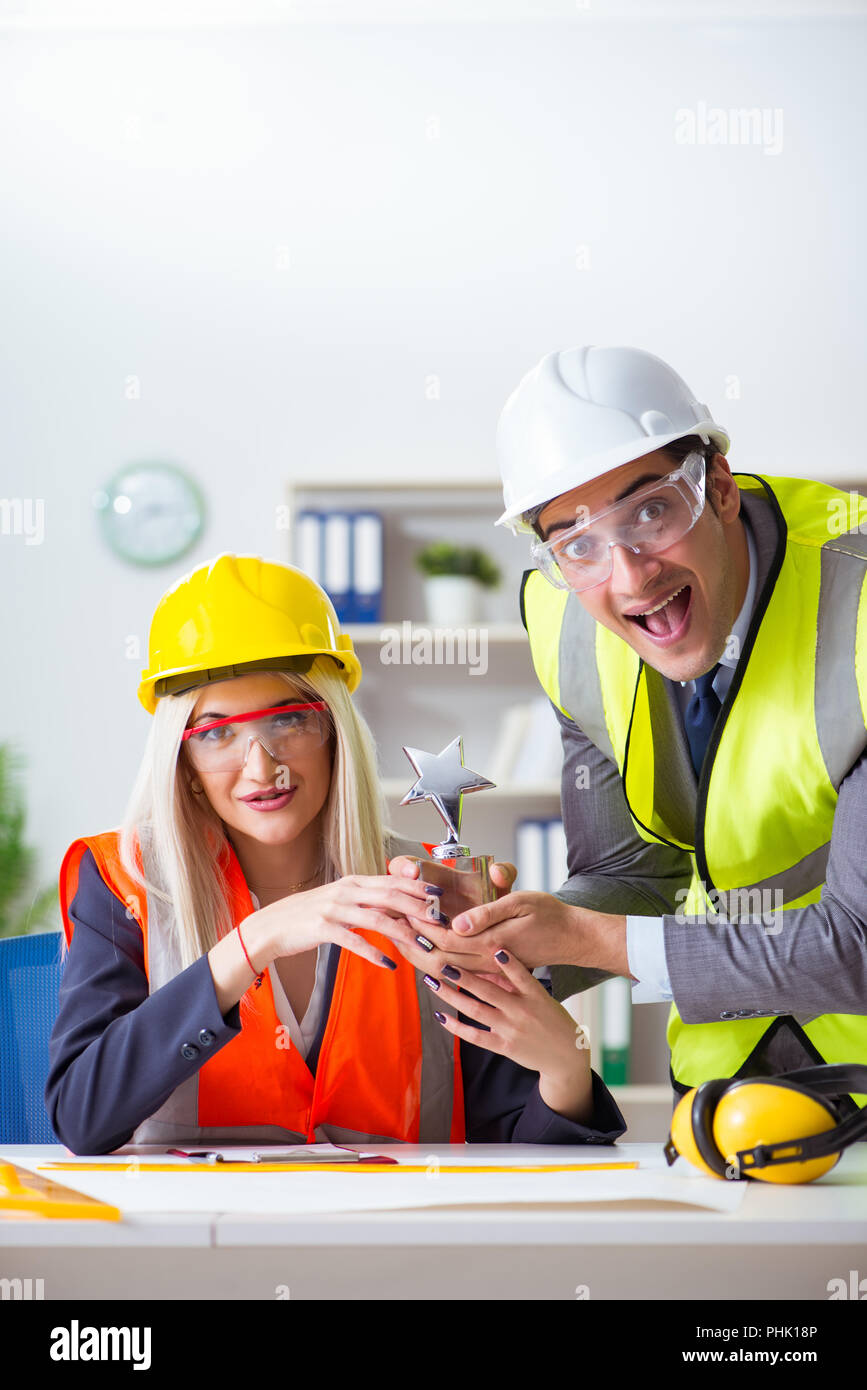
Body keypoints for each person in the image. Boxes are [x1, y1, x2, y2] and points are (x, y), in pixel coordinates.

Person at [404, 345, 867, 1101]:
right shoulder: (567, 630)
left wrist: (591, 938)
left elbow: (860, 945)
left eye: (651, 510)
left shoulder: (860, 611)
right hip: (722, 1096)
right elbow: (633, 876)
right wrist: (498, 935)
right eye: (576, 544)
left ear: (717, 488)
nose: (628, 575)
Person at [47, 553, 625, 1153]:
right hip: (194, 1238)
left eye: (289, 720)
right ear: (184, 764)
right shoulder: (124, 881)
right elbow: (81, 1118)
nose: (261, 766)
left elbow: (516, 1141)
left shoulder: (426, 888)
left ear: (335, 736)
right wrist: (255, 941)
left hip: (390, 1237)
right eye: (216, 732)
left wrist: (565, 1069)